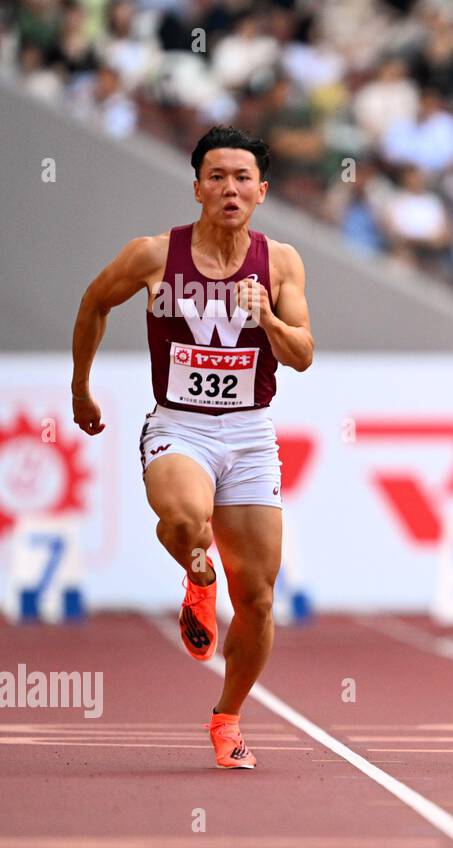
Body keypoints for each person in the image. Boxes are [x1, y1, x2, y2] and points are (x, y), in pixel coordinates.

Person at [71, 126, 314, 768]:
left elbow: (304, 356)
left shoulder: (281, 262)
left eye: (242, 178)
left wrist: (266, 317)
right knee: (184, 519)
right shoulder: (153, 254)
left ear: (261, 191)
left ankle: (227, 718)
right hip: (180, 425)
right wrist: (80, 391)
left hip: (252, 434)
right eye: (216, 177)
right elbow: (95, 304)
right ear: (197, 186)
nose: (229, 188)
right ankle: (197, 571)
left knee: (259, 600)